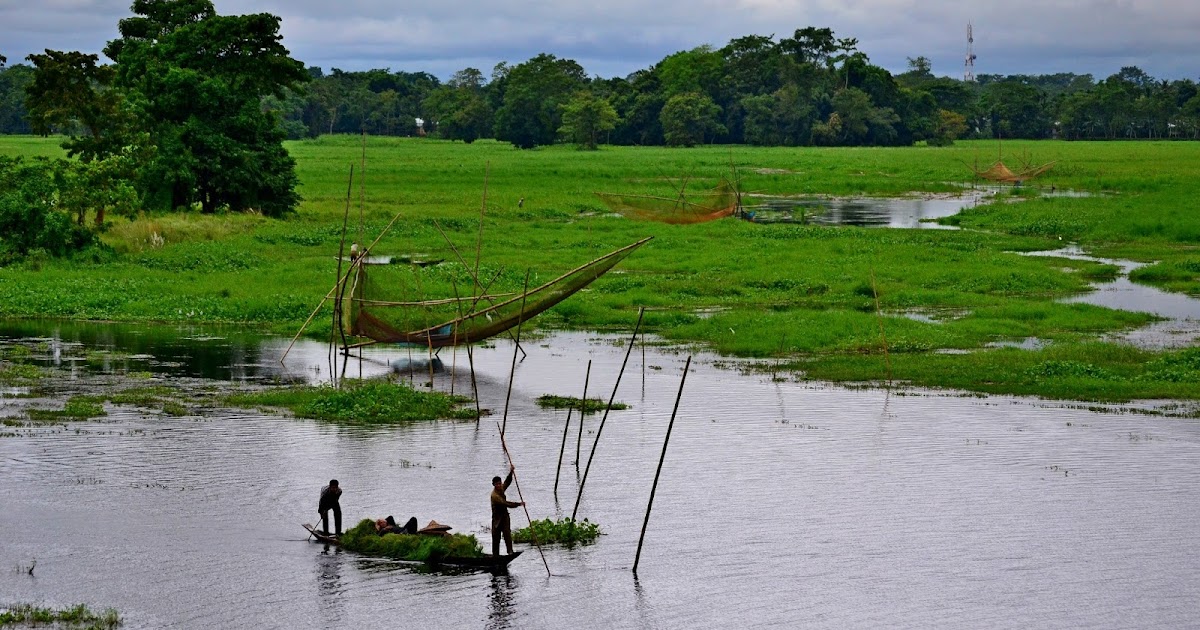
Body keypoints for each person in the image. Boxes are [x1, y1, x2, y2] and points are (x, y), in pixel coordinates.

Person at [490, 464, 524, 557]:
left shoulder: (501, 488)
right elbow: (506, 504)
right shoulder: (494, 496)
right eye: (496, 484)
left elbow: (507, 482)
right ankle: (495, 556)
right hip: (497, 519)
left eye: (499, 483)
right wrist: (518, 504)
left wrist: (511, 472)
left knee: (507, 535)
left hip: (504, 517)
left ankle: (510, 552)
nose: (498, 485)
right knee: (496, 537)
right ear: (493, 485)